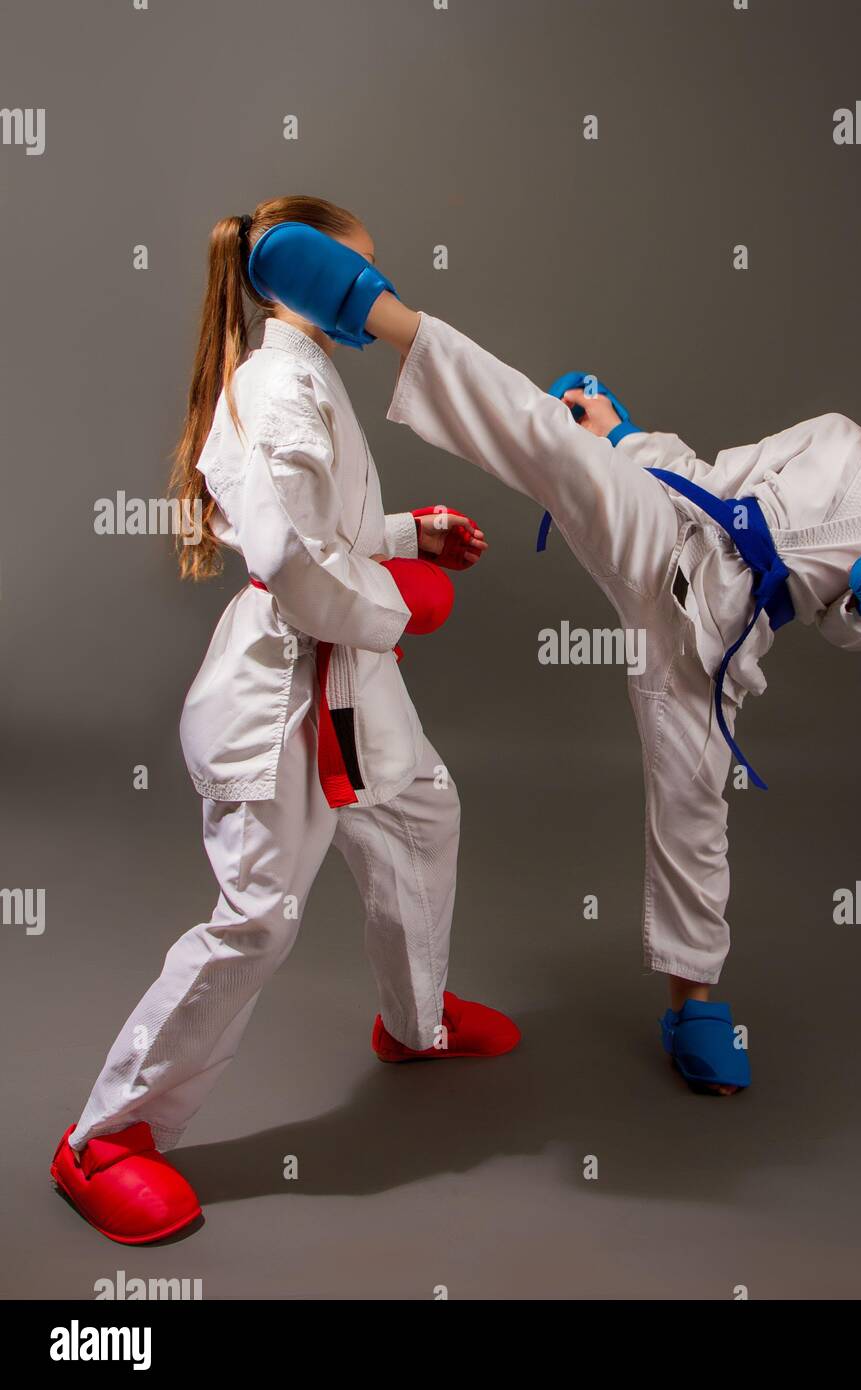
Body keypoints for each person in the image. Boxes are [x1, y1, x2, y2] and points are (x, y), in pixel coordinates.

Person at [247, 217, 861, 1098]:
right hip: (672, 539)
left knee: (693, 816)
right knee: (549, 439)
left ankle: (693, 1005)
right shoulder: (835, 436)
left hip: (720, 644)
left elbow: (851, 632)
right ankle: (374, 311)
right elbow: (717, 478)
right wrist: (620, 435)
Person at [49, 196, 519, 1246]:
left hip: (345, 675)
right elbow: (289, 558)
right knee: (258, 916)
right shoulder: (276, 385)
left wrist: (410, 529)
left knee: (422, 815)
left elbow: (328, 525)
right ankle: (103, 1139)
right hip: (282, 690)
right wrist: (405, 598)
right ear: (292, 273)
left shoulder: (306, 378)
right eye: (353, 272)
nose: (370, 293)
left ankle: (416, 1021)